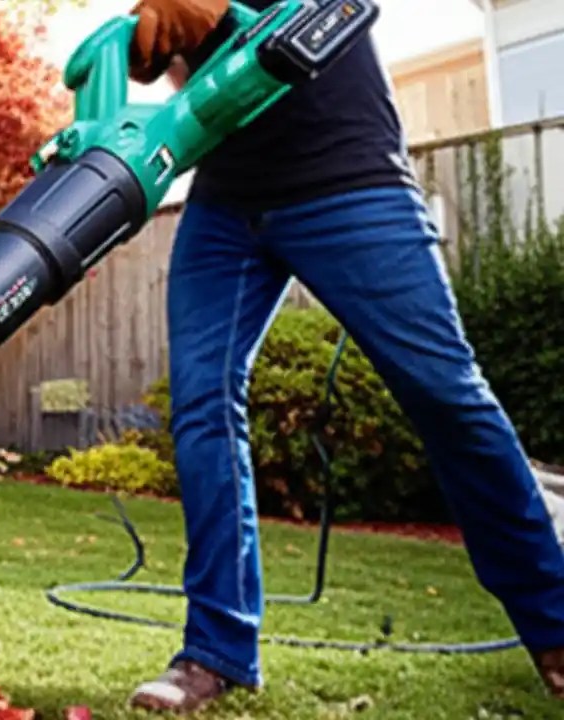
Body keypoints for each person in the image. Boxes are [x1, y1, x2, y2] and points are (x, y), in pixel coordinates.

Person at [120, 0, 564, 712]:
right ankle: (216, 651)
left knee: (446, 393)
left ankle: (555, 624)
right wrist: (158, 43)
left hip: (348, 172)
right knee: (200, 407)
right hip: (228, 200)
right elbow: (184, 75)